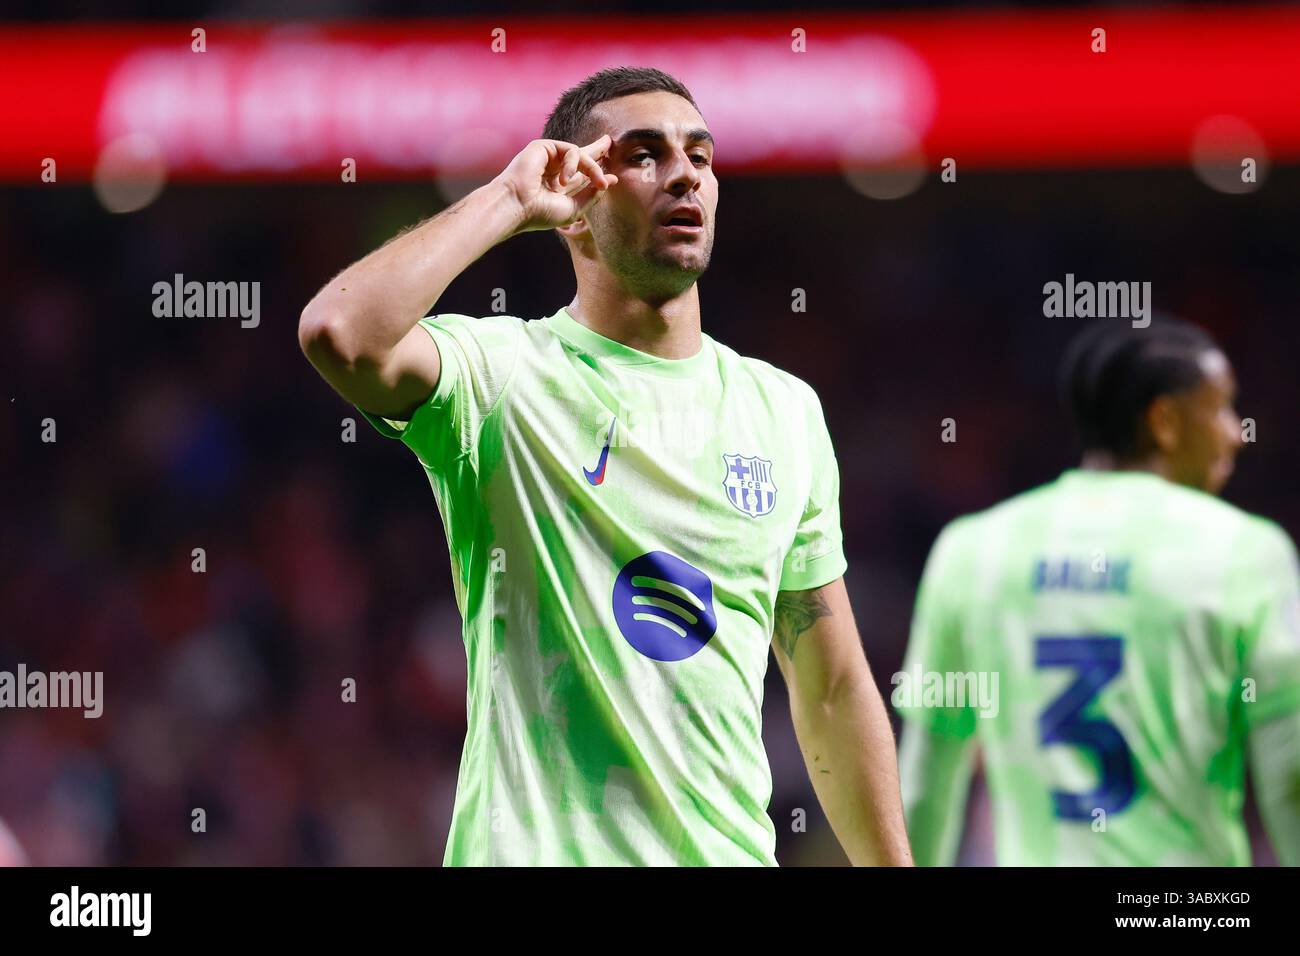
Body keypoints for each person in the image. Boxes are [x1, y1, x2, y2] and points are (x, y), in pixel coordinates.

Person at [299, 66, 912, 866]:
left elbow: (829, 689)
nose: (686, 172)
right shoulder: (501, 375)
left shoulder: (783, 410)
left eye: (700, 154)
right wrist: (510, 200)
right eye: (646, 154)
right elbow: (340, 331)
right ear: (577, 200)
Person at [899, 317, 1300, 865]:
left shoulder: (973, 550)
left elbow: (925, 783)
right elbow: (1289, 776)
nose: (1236, 431)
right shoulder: (1245, 551)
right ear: (1165, 421)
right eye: (1223, 406)